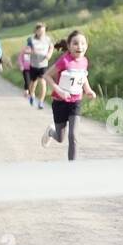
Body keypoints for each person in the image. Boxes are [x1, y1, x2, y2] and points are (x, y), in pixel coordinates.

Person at [40, 30, 96, 160]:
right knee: (60, 137)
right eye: (75, 43)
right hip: (60, 103)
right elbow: (47, 75)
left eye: (83, 43)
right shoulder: (64, 61)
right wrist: (58, 90)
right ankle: (50, 132)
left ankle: (72, 168)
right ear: (69, 46)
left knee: (73, 136)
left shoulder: (84, 61)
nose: (79, 46)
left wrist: (88, 90)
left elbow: (83, 77)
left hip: (75, 102)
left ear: (86, 46)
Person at [27, 23, 53, 109]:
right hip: (34, 64)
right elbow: (27, 50)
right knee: (33, 83)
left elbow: (51, 47)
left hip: (43, 64)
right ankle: (32, 95)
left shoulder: (48, 39)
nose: (42, 33)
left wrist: (49, 54)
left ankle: (41, 101)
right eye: (40, 31)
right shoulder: (31, 40)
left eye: (43, 31)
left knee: (43, 82)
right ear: (36, 31)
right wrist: (31, 52)